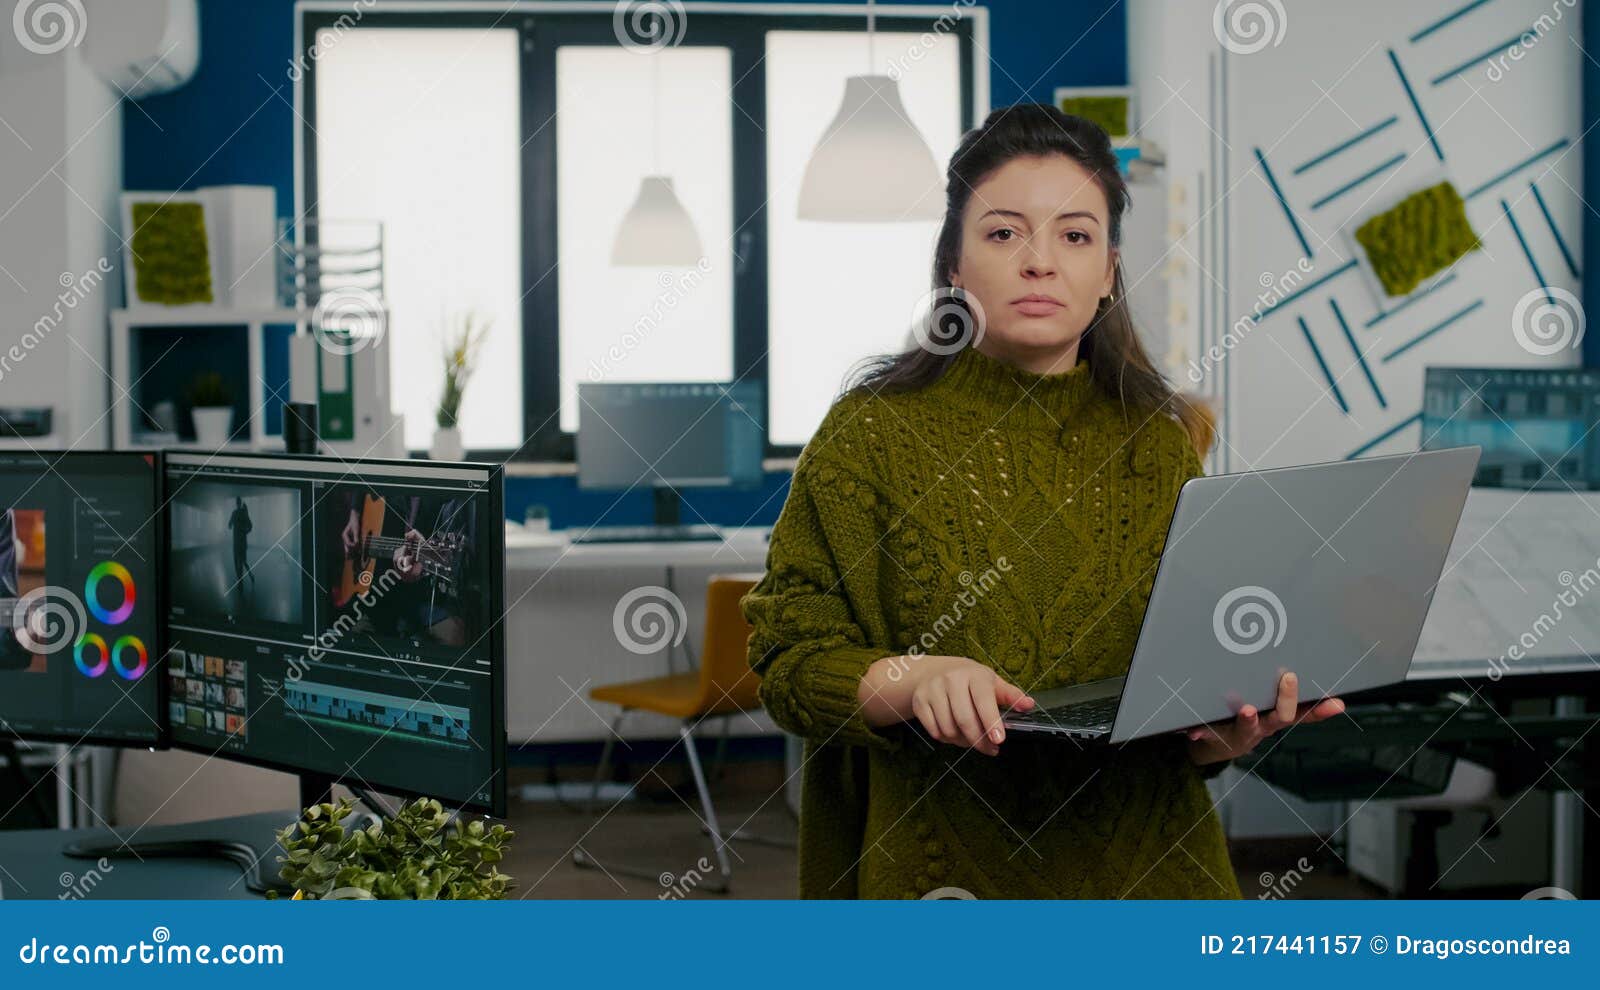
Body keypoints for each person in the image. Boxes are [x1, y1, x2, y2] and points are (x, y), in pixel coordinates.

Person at [740, 104, 1344, 899]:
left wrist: (1227, 732)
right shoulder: (869, 434)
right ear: (954, 265)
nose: (1040, 262)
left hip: (1152, 884)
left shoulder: (1159, 442)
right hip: (942, 881)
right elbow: (786, 662)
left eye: (1075, 234)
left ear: (1109, 270)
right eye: (1003, 233)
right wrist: (914, 678)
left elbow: (1174, 718)